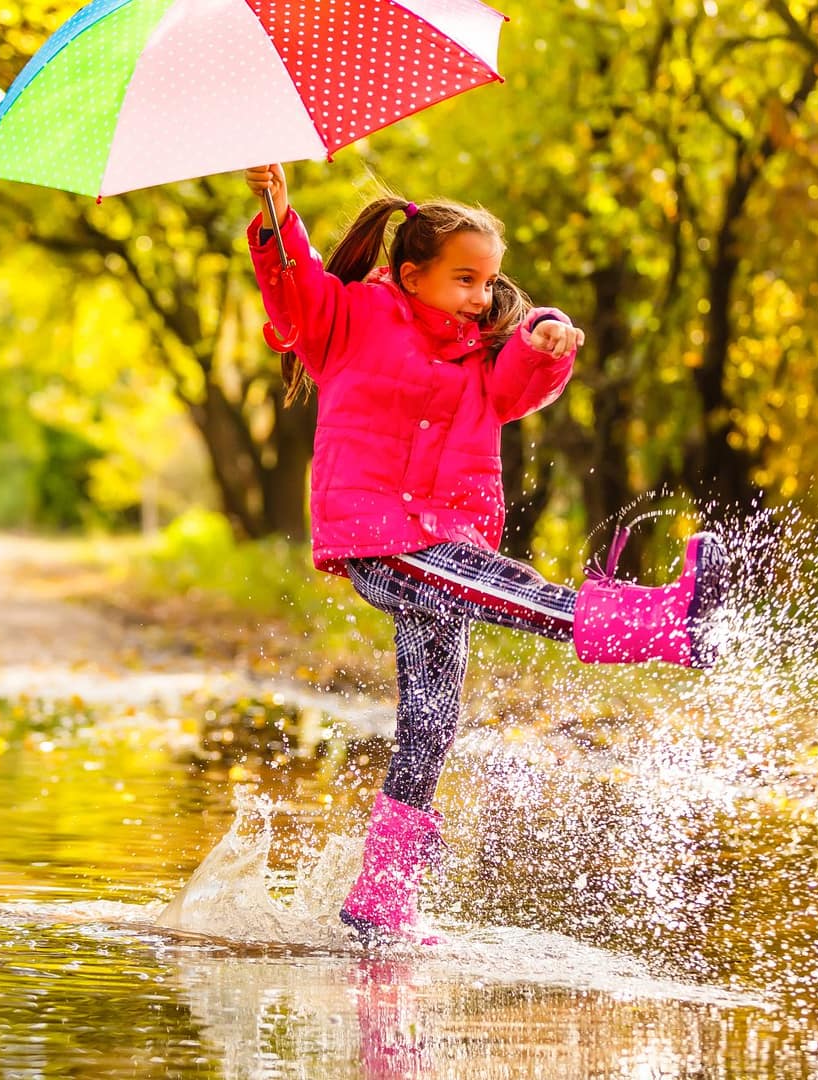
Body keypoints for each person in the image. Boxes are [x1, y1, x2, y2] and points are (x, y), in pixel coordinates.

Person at [242, 164, 728, 946]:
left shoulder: (481, 352)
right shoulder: (349, 317)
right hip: (379, 535)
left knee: (430, 721)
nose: (481, 294)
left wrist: (547, 337)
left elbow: (522, 383)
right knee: (514, 591)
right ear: (411, 274)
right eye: (465, 279)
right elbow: (292, 288)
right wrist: (276, 208)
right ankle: (663, 626)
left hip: (449, 535)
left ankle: (381, 899)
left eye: (490, 279)